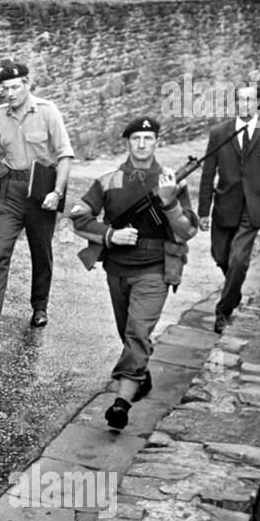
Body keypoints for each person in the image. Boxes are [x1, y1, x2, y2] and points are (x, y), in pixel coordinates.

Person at [69, 117, 199, 431]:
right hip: (117, 270)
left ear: (157, 143)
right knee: (129, 333)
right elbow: (79, 218)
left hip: (155, 270)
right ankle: (139, 372)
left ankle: (121, 403)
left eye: (148, 139)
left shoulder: (171, 180)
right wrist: (110, 235)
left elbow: (188, 230)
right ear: (127, 143)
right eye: (136, 139)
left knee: (137, 333)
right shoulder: (108, 181)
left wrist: (169, 204)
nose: (142, 145)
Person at [0, 60, 74, 328]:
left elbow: (65, 155)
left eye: (15, 87)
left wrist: (57, 193)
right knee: (0, 251)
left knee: (41, 251)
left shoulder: (48, 112)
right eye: (5, 88)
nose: (10, 93)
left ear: (27, 85)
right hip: (10, 192)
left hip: (40, 191)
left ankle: (39, 306)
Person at [197, 83, 260, 334]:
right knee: (221, 257)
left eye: (250, 100)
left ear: (257, 103)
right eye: (240, 100)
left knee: (238, 259)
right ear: (235, 103)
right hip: (225, 205)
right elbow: (207, 174)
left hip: (255, 208)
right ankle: (233, 290)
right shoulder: (220, 133)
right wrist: (204, 211)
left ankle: (223, 311)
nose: (245, 105)